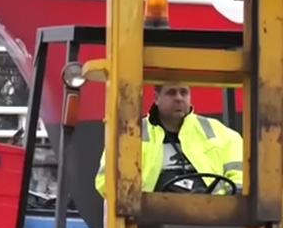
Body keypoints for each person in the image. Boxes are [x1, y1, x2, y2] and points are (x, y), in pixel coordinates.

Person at [94, 83, 244, 199]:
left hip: (212, 217)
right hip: (151, 218)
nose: (179, 98)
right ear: (156, 98)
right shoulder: (130, 134)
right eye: (171, 93)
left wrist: (228, 207)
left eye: (184, 92)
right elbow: (106, 181)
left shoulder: (220, 133)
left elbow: (241, 178)